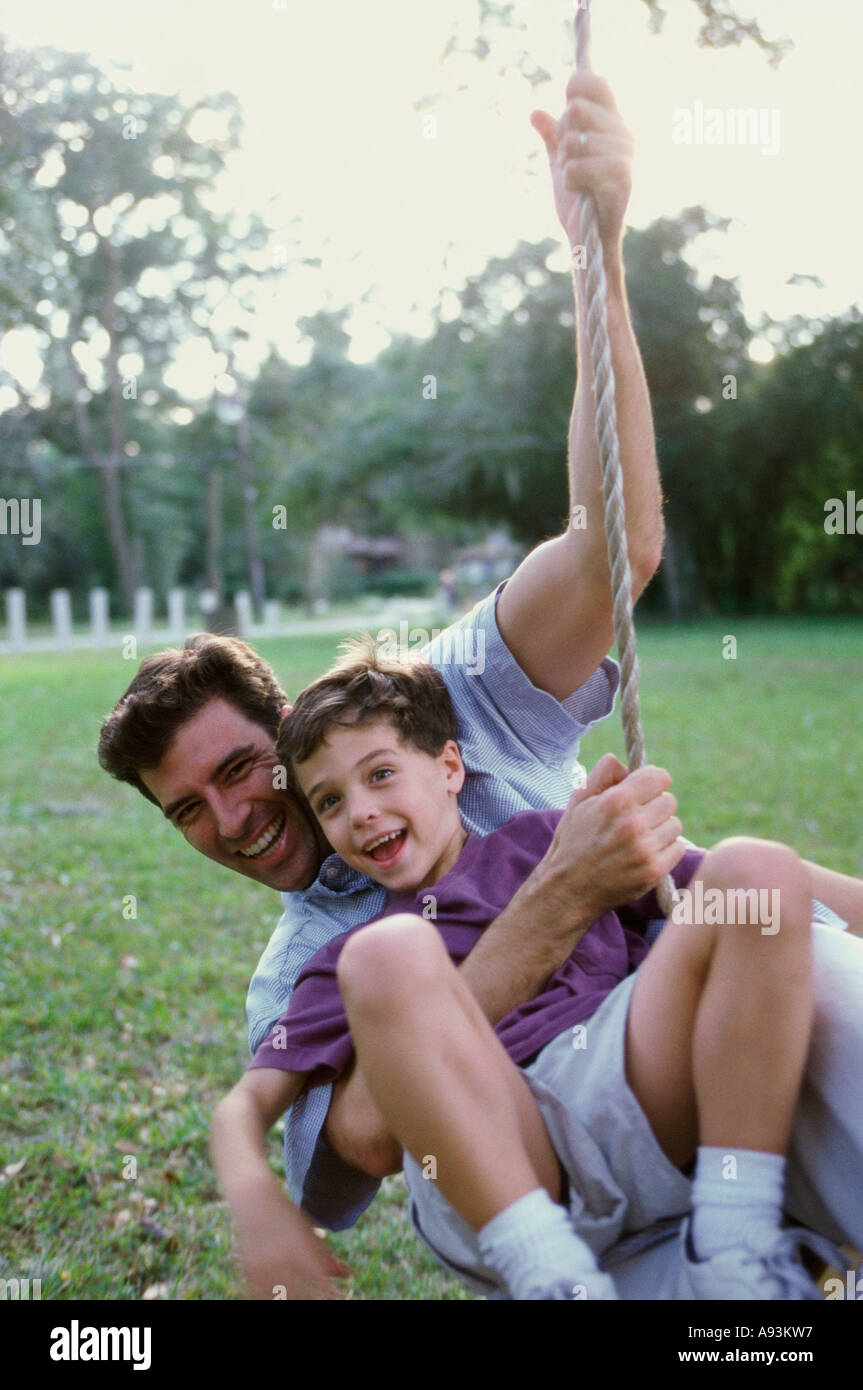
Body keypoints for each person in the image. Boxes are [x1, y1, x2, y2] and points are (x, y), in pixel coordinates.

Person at [97, 71, 863, 1299]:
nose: (234, 820)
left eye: (242, 771)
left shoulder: (424, 698)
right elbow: (348, 1153)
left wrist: (594, 253)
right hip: (524, 1164)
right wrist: (551, 899)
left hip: (657, 1070)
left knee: (799, 948)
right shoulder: (310, 962)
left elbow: (614, 544)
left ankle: (751, 1241)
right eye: (188, 809)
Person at [211, 639, 839, 1300]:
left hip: (630, 1085)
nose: (360, 811)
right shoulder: (347, 959)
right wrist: (254, 1201)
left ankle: (734, 1248)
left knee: (756, 872)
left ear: (449, 766)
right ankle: (550, 1277)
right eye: (329, 802)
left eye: (380, 774)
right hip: (505, 1145)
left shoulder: (552, 840)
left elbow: (745, 902)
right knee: (386, 952)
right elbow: (243, 1108)